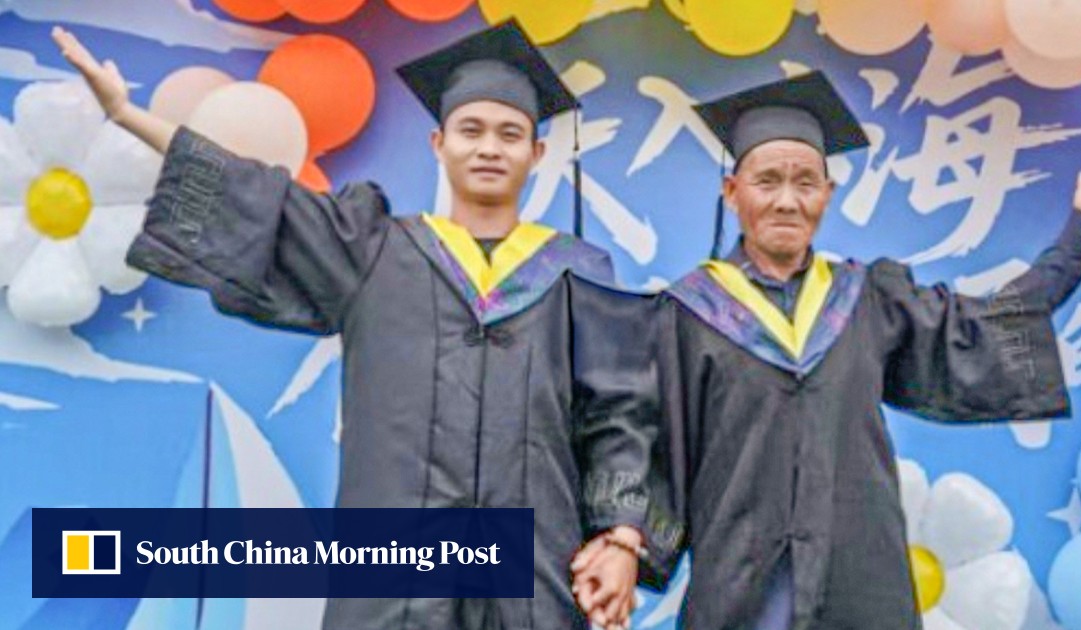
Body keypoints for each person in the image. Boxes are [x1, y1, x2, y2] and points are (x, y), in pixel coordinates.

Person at [53, 21, 663, 630]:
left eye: (510, 134)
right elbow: (253, 193)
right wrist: (128, 115)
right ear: (438, 144)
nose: (488, 148)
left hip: (528, 576)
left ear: (536, 154)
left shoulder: (579, 275)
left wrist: (622, 538)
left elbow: (620, 415)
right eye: (470, 130)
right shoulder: (372, 249)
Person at [637, 71, 1081, 628]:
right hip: (742, 586)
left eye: (805, 182)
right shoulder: (688, 312)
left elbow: (987, 325)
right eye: (767, 181)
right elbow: (649, 447)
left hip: (859, 583)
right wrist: (622, 546)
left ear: (827, 194)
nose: (787, 201)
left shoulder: (866, 298)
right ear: (732, 191)